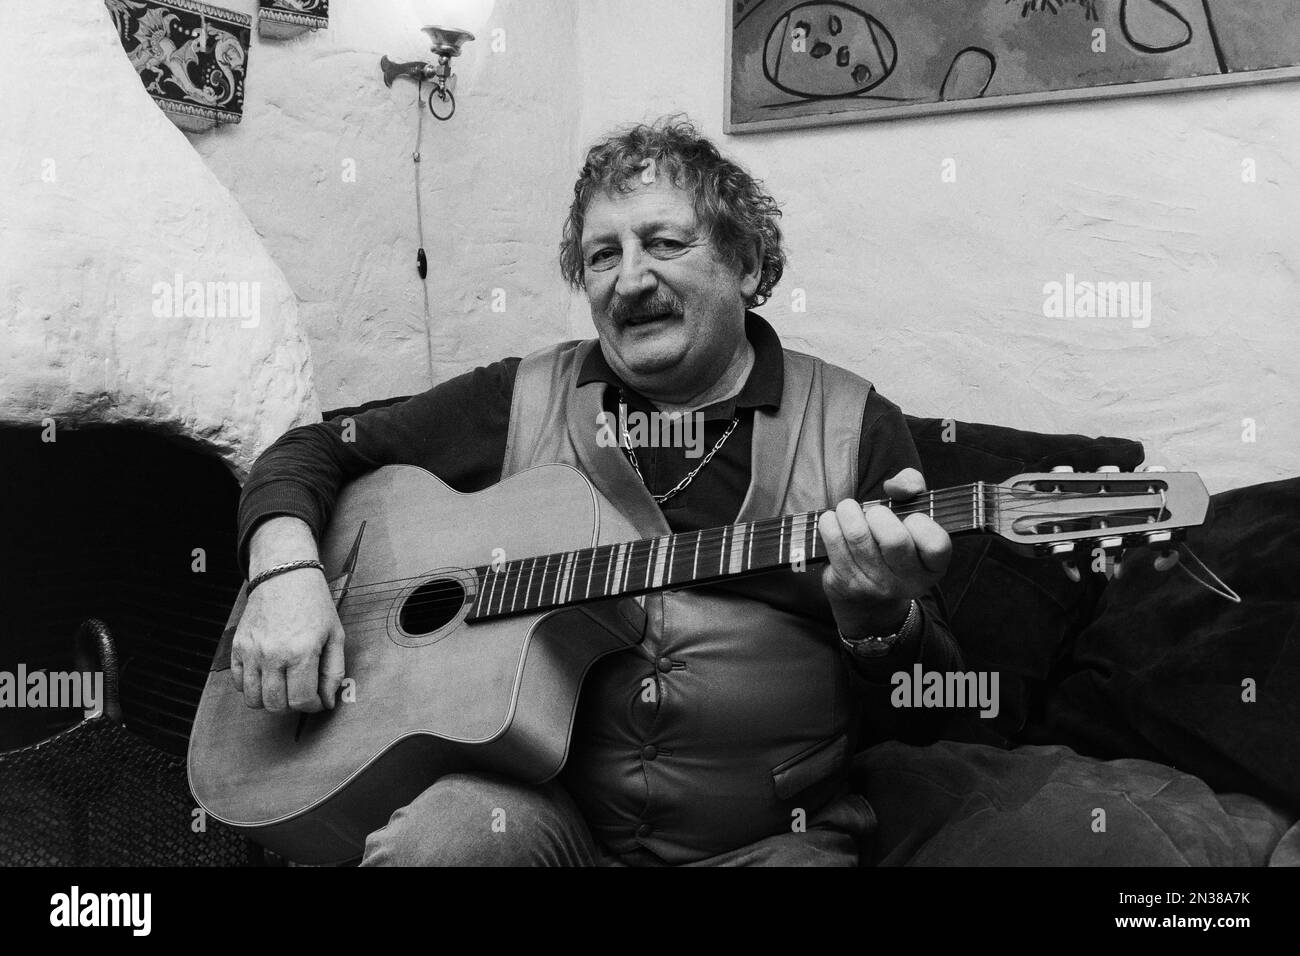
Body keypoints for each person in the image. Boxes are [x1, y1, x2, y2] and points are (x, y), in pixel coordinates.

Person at [233, 116, 963, 866]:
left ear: (746, 264)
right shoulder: (519, 398)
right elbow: (315, 449)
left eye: (665, 243)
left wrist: (879, 620)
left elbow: (932, 710)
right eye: (602, 255)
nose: (630, 279)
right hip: (547, 820)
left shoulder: (853, 424)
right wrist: (285, 573)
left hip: (770, 840)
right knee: (439, 842)